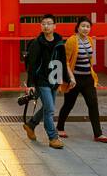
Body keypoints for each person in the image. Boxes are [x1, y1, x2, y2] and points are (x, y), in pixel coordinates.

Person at [57, 16, 107, 142]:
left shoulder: (90, 40)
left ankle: (98, 134)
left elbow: (89, 60)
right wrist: (70, 78)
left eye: (88, 26)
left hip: (88, 78)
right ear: (78, 27)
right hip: (74, 79)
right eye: (83, 26)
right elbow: (65, 61)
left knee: (93, 104)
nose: (85, 29)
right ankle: (59, 127)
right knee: (69, 104)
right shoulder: (71, 41)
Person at [23, 13, 72, 148]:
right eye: (43, 24)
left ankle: (31, 124)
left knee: (46, 107)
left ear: (55, 26)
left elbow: (62, 62)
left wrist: (66, 79)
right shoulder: (36, 43)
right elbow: (32, 65)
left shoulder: (60, 43)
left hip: (54, 79)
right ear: (40, 26)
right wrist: (31, 84)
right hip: (42, 80)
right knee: (50, 109)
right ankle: (53, 137)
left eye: (49, 23)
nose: (46, 26)